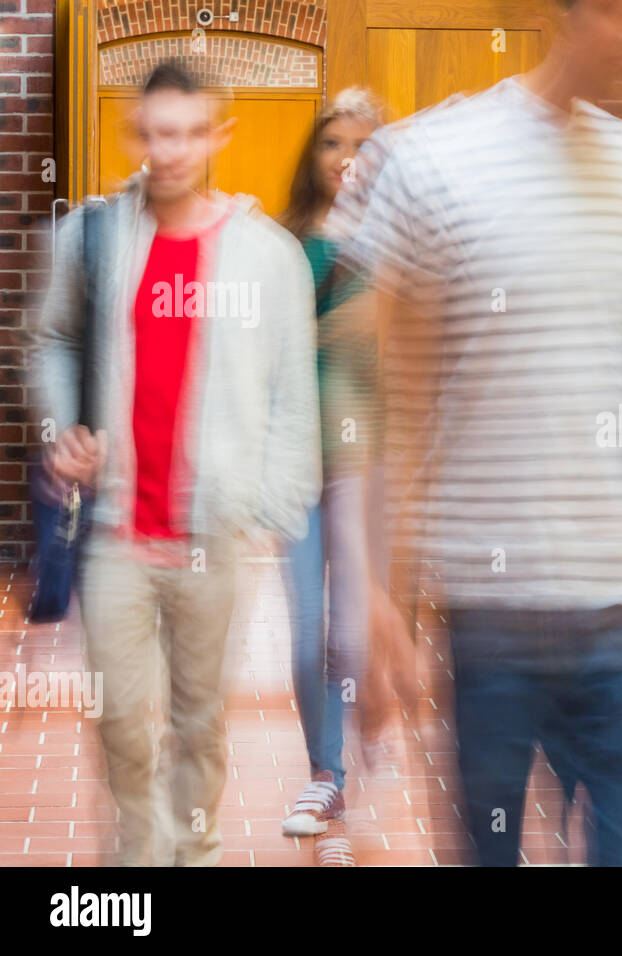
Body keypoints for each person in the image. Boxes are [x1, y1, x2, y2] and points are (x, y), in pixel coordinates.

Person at [328, 0, 622, 865]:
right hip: (495, 617)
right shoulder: (438, 161)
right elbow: (387, 396)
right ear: (569, 12)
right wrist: (382, 599)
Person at [31, 60, 320, 866]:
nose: (173, 152)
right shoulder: (90, 238)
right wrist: (63, 427)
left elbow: (296, 403)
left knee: (200, 723)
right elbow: (51, 340)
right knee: (121, 720)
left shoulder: (270, 261)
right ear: (137, 134)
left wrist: (271, 515)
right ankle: (137, 871)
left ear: (219, 134)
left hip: (216, 533)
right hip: (118, 529)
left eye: (192, 133)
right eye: (159, 133)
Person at [275, 88, 387, 855]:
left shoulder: (388, 246)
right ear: (311, 156)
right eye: (331, 144)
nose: (344, 158)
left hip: (359, 458)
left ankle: (348, 754)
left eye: (359, 145)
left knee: (352, 629)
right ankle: (326, 767)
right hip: (294, 455)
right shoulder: (280, 244)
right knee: (306, 624)